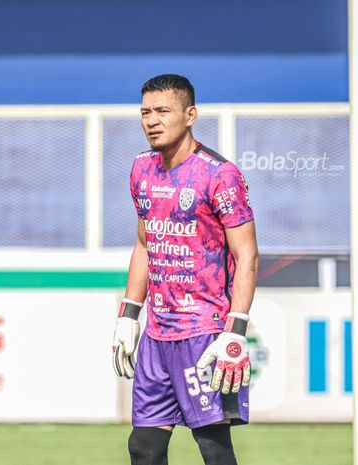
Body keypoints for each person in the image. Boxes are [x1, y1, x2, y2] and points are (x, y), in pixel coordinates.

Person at [112, 74, 259, 465]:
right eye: (145, 112)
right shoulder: (141, 169)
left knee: (213, 447)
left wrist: (236, 331)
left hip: (205, 333)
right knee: (144, 446)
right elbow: (146, 243)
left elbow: (247, 255)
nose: (151, 120)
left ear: (190, 114)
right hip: (158, 336)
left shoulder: (218, 174)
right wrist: (129, 315)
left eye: (163, 111)